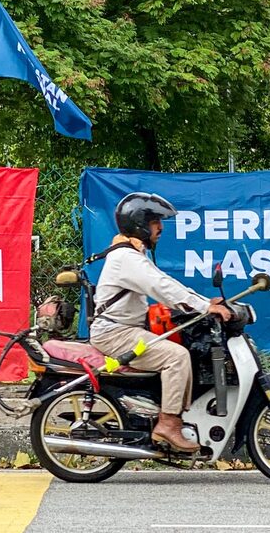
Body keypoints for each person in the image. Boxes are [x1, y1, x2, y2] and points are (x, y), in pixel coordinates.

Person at [89, 192, 233, 453]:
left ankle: (167, 413)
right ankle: (168, 423)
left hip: (122, 329)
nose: (161, 227)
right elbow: (162, 287)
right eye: (156, 221)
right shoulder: (127, 259)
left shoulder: (130, 255)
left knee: (179, 350)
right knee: (176, 357)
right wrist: (204, 306)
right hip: (114, 333)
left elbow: (167, 284)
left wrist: (204, 303)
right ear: (140, 223)